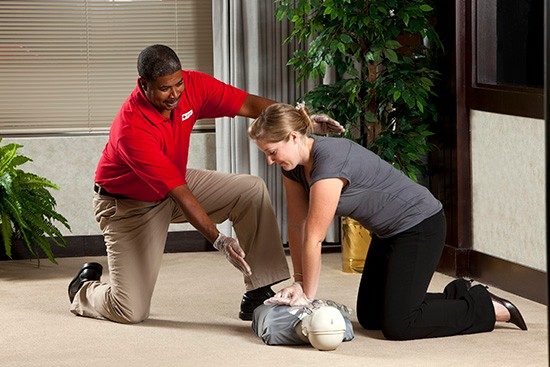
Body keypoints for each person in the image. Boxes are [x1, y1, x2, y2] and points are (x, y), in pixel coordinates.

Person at [67, 45, 344, 324]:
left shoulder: (193, 86)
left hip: (172, 183)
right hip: (128, 205)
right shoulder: (132, 129)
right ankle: (84, 290)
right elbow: (183, 196)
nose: (175, 94)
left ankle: (258, 291)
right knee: (130, 310)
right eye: (165, 88)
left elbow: (249, 105)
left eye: (178, 84)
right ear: (143, 85)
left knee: (250, 191)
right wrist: (218, 239)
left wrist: (303, 122)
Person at [247, 103, 528, 341]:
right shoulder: (294, 168)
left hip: (420, 225)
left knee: (399, 325)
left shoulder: (329, 163)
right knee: (371, 316)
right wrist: (297, 281)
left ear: (294, 137)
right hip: (387, 233)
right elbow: (298, 226)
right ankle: (458, 293)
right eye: (266, 154)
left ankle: (489, 308)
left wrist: (306, 297)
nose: (270, 160)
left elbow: (315, 237)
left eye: (272, 151)